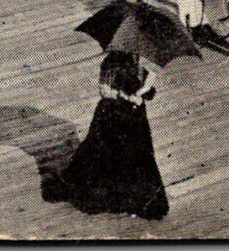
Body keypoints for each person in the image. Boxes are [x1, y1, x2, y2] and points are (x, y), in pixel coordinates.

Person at [56, 51, 168, 220]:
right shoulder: (110, 63)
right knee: (104, 151)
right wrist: (129, 97)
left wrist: (146, 88)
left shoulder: (139, 67)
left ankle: (135, 199)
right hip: (112, 115)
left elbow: (150, 94)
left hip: (134, 119)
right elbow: (104, 91)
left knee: (137, 156)